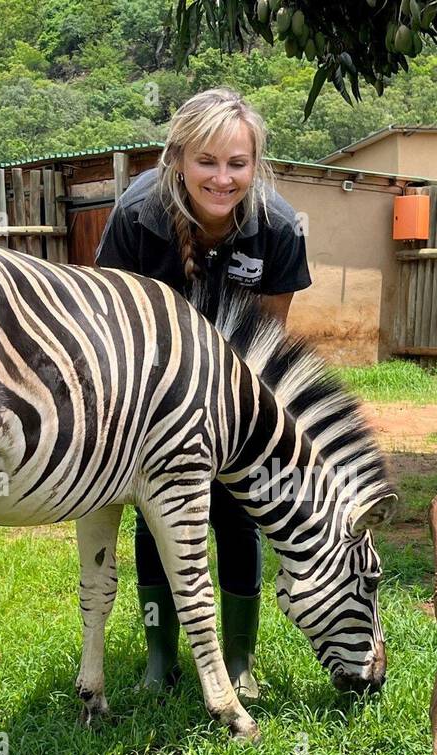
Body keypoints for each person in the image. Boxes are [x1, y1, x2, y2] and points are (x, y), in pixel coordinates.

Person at [95, 87, 312, 699]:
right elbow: (113, 326)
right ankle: (160, 658)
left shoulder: (277, 226)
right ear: (178, 159)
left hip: (235, 399)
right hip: (151, 399)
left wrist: (236, 430)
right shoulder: (139, 216)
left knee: (239, 516)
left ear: (255, 164)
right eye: (207, 162)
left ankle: (239, 662)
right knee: (154, 517)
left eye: (237, 164)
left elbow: (268, 341)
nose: (222, 178)